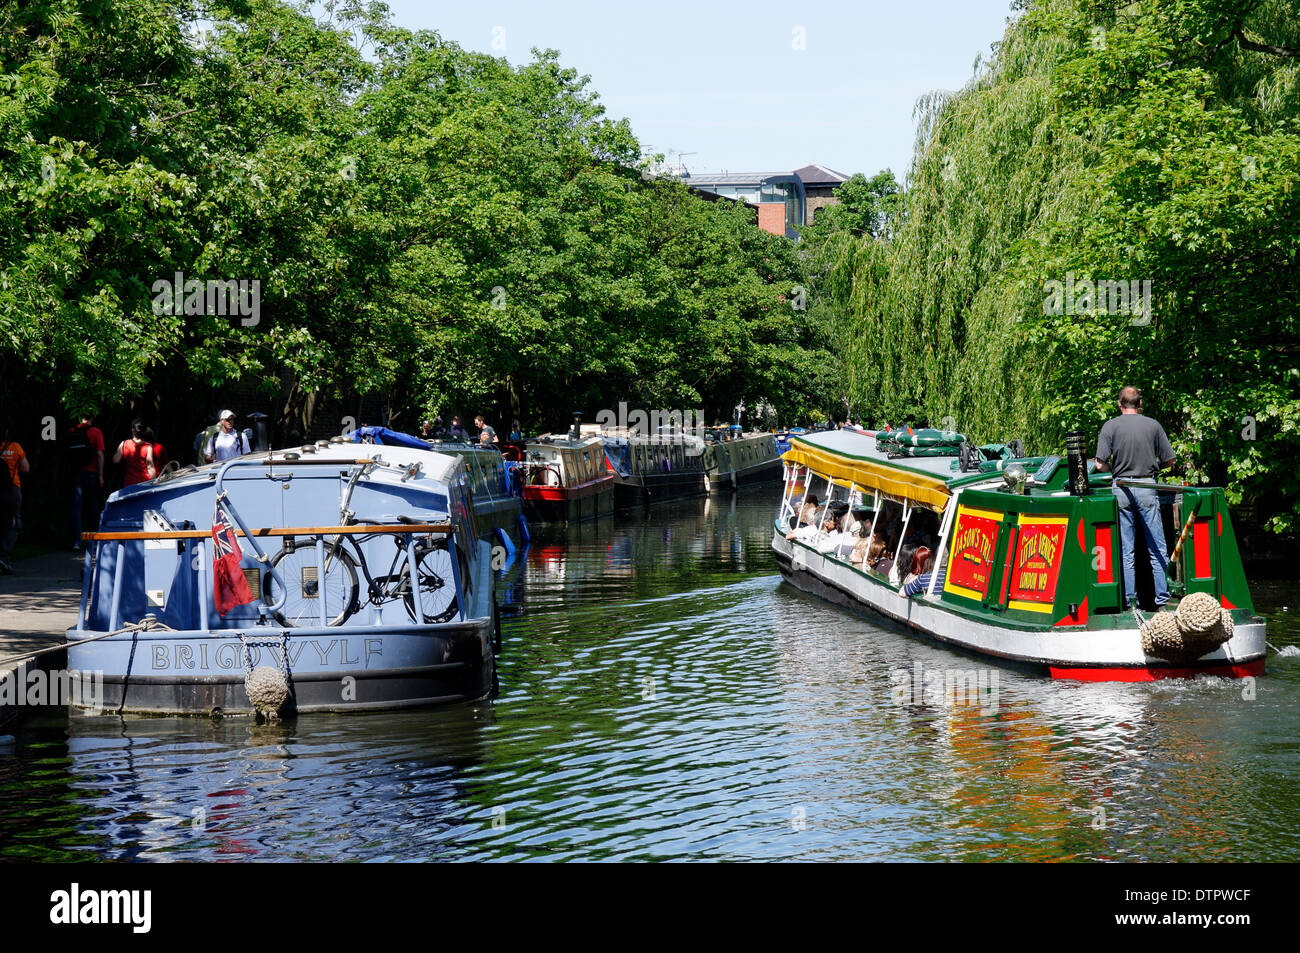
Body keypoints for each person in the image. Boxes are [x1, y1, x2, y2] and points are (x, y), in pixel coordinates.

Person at [1094, 386, 1175, 609]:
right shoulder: (1153, 425)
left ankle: (1130, 600)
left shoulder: (1110, 426)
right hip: (1147, 485)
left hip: (1121, 487)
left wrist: (1116, 470)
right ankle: (1162, 598)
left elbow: (1099, 464)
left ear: (1119, 404)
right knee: (1157, 547)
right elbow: (1170, 461)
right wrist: (1154, 468)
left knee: (1126, 550)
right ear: (1140, 404)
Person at [66, 412, 105, 551]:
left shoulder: (72, 431)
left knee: (76, 508)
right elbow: (100, 454)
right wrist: (101, 475)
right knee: (92, 507)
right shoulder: (96, 432)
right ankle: (94, 541)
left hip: (75, 474)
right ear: (93, 417)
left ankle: (76, 541)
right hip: (91, 473)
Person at [0, 429, 29, 573]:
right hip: (11, 488)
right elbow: (26, 468)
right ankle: (4, 557)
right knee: (13, 522)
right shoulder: (15, 447)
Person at [113, 420, 157, 486]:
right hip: (145, 482)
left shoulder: (124, 443)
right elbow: (150, 466)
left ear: (133, 430)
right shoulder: (148, 446)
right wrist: (154, 481)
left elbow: (115, 460)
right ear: (144, 432)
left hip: (129, 482)